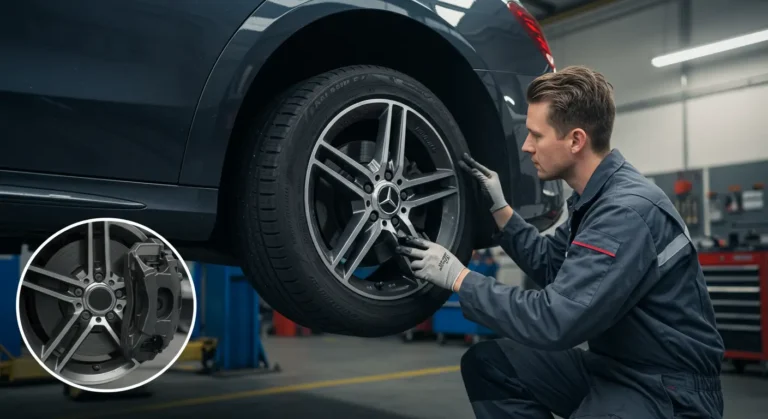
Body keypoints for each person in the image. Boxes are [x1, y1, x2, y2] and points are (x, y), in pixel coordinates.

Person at [396, 65, 725, 418]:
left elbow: (556, 321)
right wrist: (501, 209)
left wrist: (459, 278)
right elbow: (552, 264)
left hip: (667, 389)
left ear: (575, 140)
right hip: (613, 368)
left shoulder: (624, 212)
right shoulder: (596, 199)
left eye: (536, 135)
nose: (526, 146)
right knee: (491, 364)